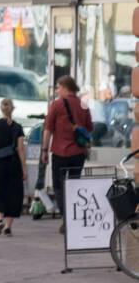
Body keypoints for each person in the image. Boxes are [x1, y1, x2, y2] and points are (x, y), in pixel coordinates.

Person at [41, 75, 89, 233]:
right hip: (78, 152)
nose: (56, 90)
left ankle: (66, 218)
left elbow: (48, 130)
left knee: (59, 186)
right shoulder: (83, 104)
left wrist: (44, 150)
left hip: (60, 152)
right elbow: (89, 128)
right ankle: (73, 217)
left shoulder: (56, 104)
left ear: (65, 88)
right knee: (75, 185)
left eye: (58, 87)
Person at [0, 97, 26, 236]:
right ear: (12, 109)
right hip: (14, 165)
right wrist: (24, 169)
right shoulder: (18, 128)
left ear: (1, 109)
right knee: (13, 195)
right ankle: (8, 227)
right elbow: (20, 149)